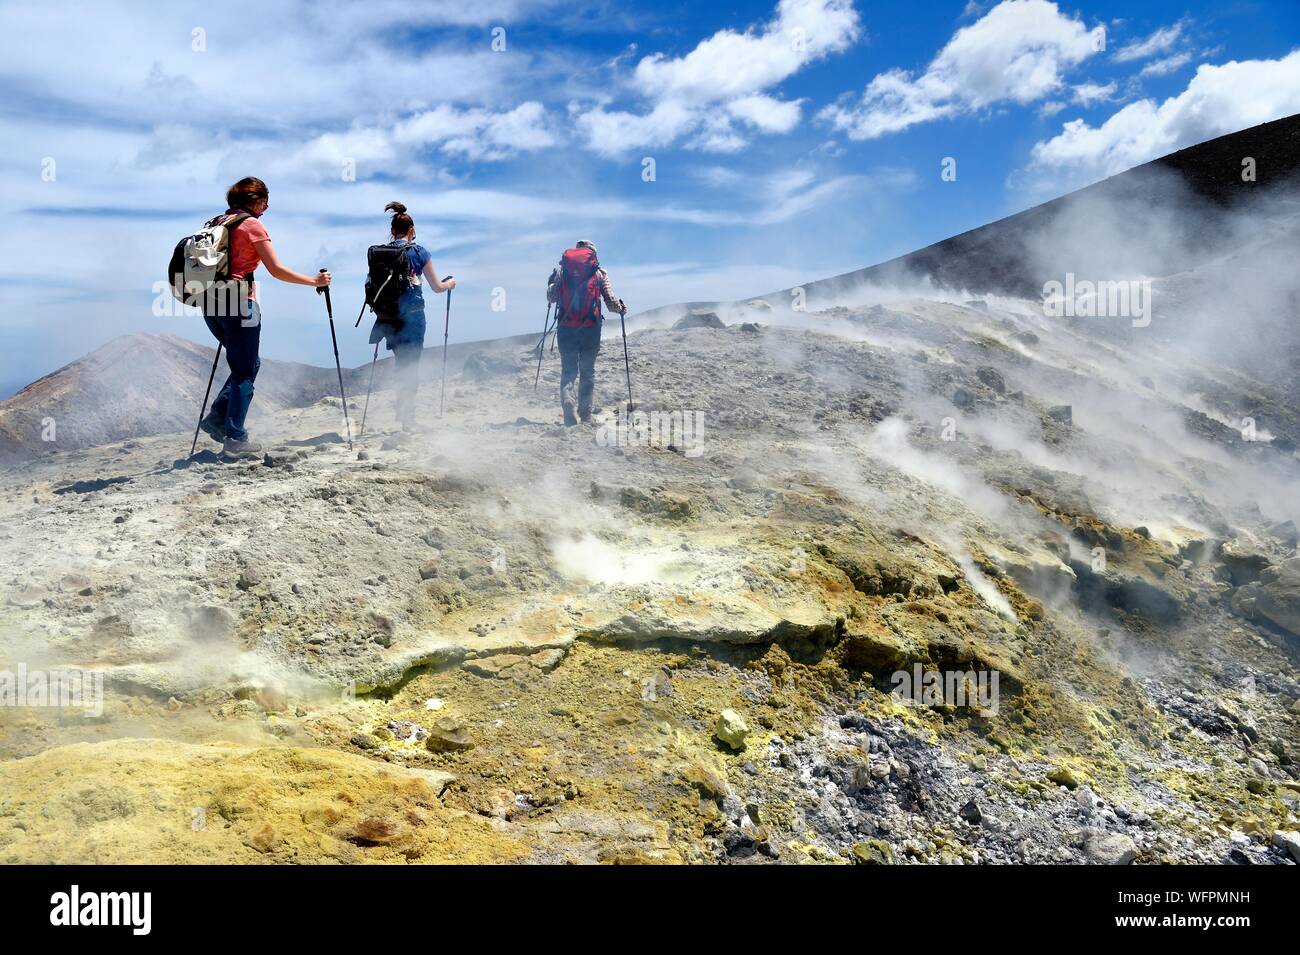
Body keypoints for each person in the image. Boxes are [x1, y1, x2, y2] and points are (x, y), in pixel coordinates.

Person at [198, 176, 331, 459]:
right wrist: (314, 281)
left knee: (246, 363)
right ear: (256, 201)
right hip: (238, 303)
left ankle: (217, 418)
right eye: (265, 202)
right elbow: (276, 270)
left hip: (210, 303)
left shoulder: (215, 223)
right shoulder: (252, 225)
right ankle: (235, 438)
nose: (266, 208)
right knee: (245, 370)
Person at [367, 202, 455, 432]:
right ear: (412, 231)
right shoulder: (419, 252)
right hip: (413, 317)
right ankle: (408, 420)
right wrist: (450, 284)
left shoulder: (380, 254)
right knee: (411, 367)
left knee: (401, 364)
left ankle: (402, 412)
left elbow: (370, 285)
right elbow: (436, 287)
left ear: (392, 231)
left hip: (388, 317)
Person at [546, 240, 625, 426]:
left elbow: (552, 297)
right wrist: (621, 308)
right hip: (591, 329)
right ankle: (585, 414)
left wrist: (551, 283)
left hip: (566, 327)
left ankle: (567, 402)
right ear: (593, 255)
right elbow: (611, 302)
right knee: (587, 371)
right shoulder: (600, 273)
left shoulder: (562, 272)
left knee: (568, 370)